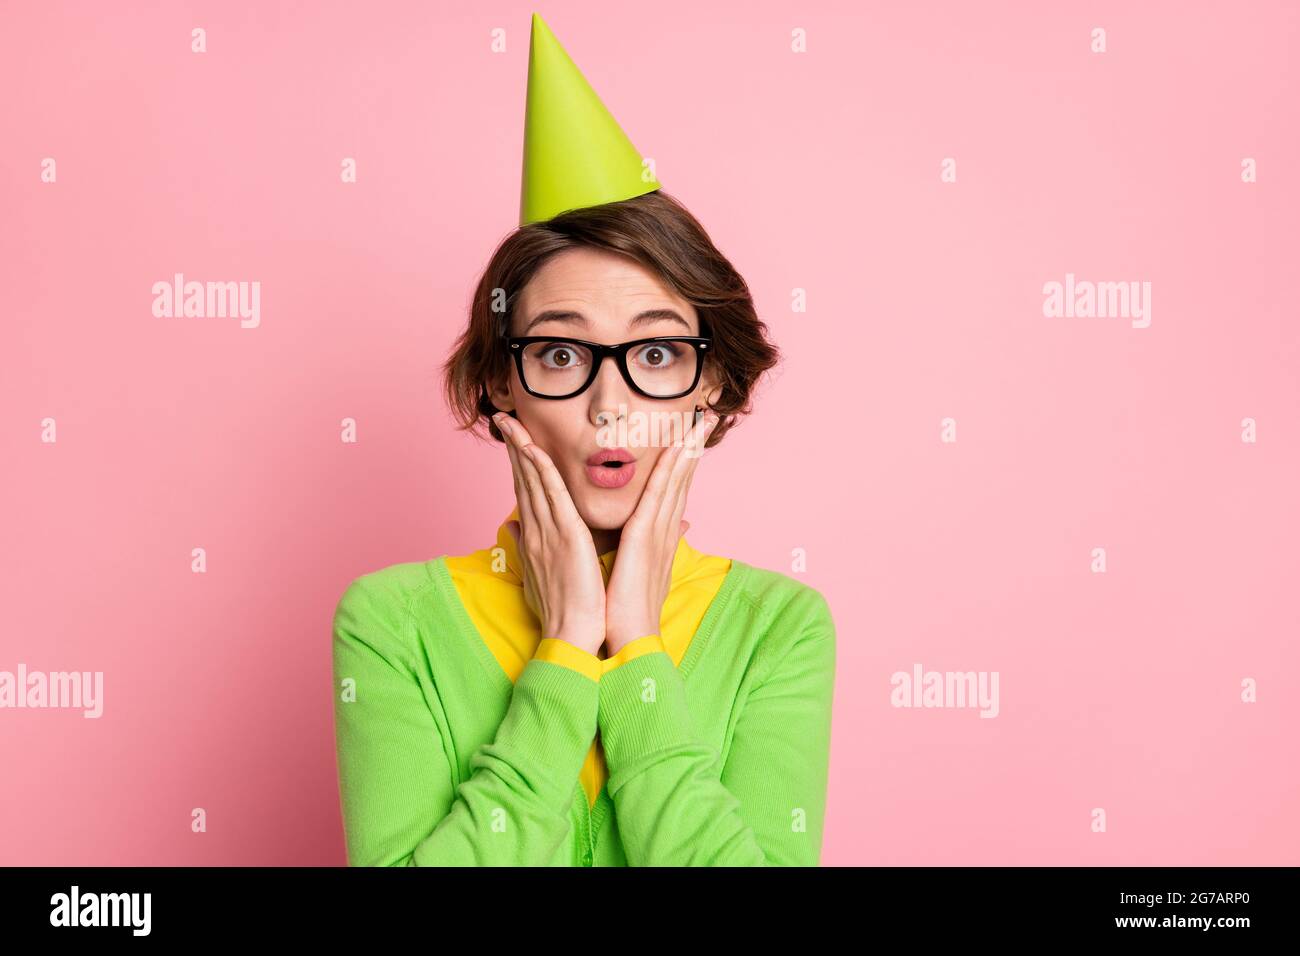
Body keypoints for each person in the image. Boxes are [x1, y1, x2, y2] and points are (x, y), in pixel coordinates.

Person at [331, 12, 836, 866]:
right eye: (561, 352)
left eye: (657, 352)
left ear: (708, 383)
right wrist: (566, 649)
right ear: (501, 383)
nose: (611, 405)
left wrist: (636, 639)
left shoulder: (778, 627)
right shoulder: (391, 623)